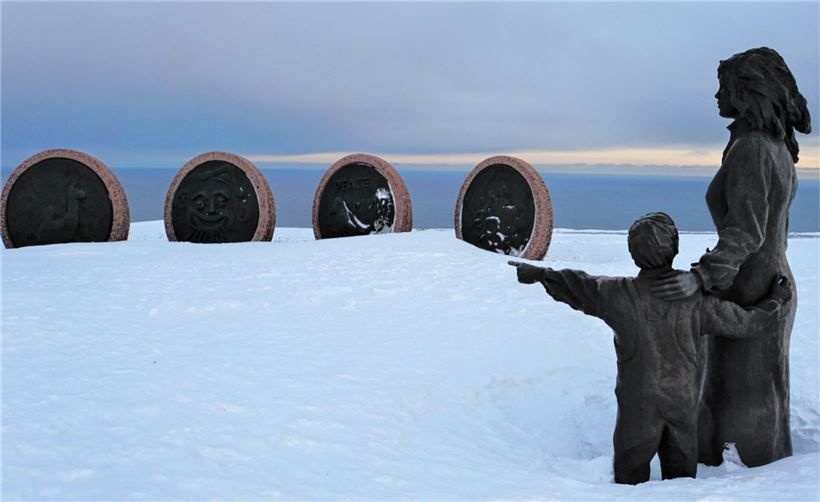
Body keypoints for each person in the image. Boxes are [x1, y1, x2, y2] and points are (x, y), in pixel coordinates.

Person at [510, 212, 791, 484]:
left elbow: (579, 286)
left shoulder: (615, 294)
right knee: (681, 480)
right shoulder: (694, 301)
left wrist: (542, 274)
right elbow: (744, 322)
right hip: (681, 401)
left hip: (637, 403)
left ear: (633, 253)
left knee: (629, 476)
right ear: (675, 248)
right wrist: (775, 301)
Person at [651, 48, 812, 467]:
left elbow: (747, 230)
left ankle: (752, 477)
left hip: (751, 290)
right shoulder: (771, 147)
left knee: (746, 397)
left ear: (746, 91)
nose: (716, 95)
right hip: (759, 280)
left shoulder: (754, 149)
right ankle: (748, 461)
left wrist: (701, 278)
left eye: (724, 86)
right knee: (748, 391)